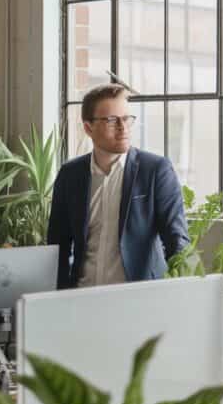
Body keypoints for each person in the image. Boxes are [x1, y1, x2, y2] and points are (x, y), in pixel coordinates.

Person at [47, 83, 189, 290]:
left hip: (137, 299)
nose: (123, 128)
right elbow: (57, 245)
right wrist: (57, 297)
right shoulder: (70, 175)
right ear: (88, 127)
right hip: (82, 297)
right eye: (112, 120)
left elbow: (177, 241)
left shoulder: (156, 170)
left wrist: (176, 291)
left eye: (127, 119)